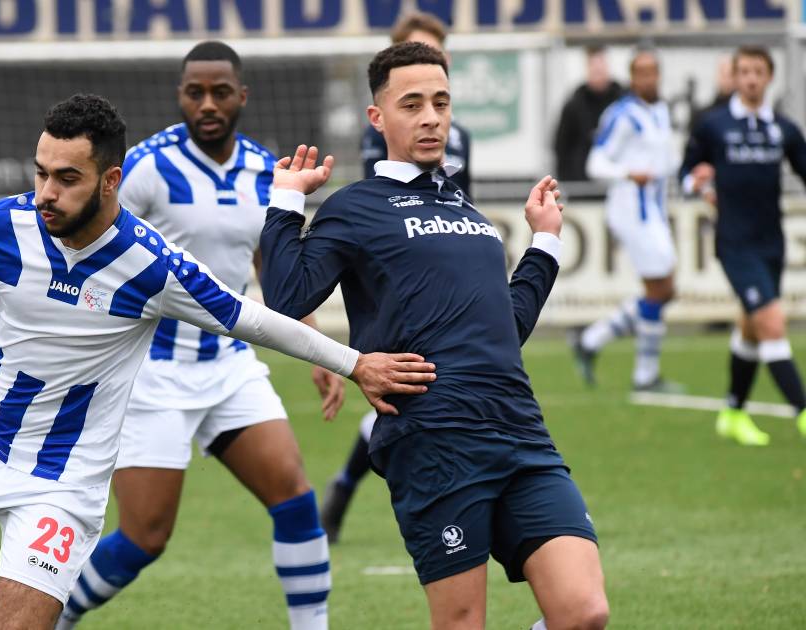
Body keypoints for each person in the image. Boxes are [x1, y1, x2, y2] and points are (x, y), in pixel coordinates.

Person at [0, 94, 434, 630]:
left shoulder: (150, 267)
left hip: (55, 489)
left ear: (112, 179)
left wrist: (353, 362)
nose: (46, 193)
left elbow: (252, 318)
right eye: (40, 173)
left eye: (66, 178)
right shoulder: (6, 227)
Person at [260, 43, 608, 629]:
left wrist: (544, 243)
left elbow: (508, 327)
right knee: (461, 621)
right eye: (412, 104)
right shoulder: (354, 207)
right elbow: (286, 299)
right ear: (379, 118)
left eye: (441, 103)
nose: (430, 117)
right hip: (434, 441)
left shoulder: (470, 215)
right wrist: (288, 199)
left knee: (585, 612)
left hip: (520, 431)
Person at [57, 42, 347, 630]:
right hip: (152, 373)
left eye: (220, 92)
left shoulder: (266, 169)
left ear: (242, 96)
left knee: (296, 501)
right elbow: (90, 250)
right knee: (144, 538)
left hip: (230, 366)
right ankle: (53, 617)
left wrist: (312, 339)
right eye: (196, 92)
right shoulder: (143, 166)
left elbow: (269, 261)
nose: (208, 103)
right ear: (180, 96)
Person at [325, 11, 474, 544]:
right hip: (398, 282)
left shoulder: (462, 136)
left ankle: (348, 487)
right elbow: (382, 211)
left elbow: (463, 206)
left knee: (433, 396)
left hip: (449, 283)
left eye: (434, 50)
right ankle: (349, 489)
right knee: (412, 394)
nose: (428, 116)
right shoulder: (384, 140)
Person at [681, 46, 806, 446]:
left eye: (758, 72)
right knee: (771, 321)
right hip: (734, 243)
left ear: (769, 77)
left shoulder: (784, 129)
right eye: (745, 72)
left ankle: (733, 412)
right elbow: (685, 172)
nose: (751, 78)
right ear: (735, 78)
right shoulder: (713, 126)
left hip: (772, 242)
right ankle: (803, 411)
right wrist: (695, 182)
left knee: (752, 326)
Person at [571, 50, 681, 392]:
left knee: (666, 290)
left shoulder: (661, 111)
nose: (648, 79)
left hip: (655, 211)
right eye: (641, 73)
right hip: (633, 212)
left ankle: (592, 339)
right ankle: (645, 375)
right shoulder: (621, 115)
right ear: (632, 78)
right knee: (659, 288)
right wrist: (628, 174)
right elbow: (595, 164)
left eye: (653, 72)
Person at [361, 12, 472, 197]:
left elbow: (466, 197)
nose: (430, 121)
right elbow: (374, 194)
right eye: (411, 106)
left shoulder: (461, 135)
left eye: (433, 51)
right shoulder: (380, 130)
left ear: (447, 58)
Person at [553, 46, 625, 184]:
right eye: (594, 68)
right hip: (582, 186)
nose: (598, 72)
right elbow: (561, 146)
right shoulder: (574, 105)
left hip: (617, 185)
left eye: (601, 67)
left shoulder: (623, 102)